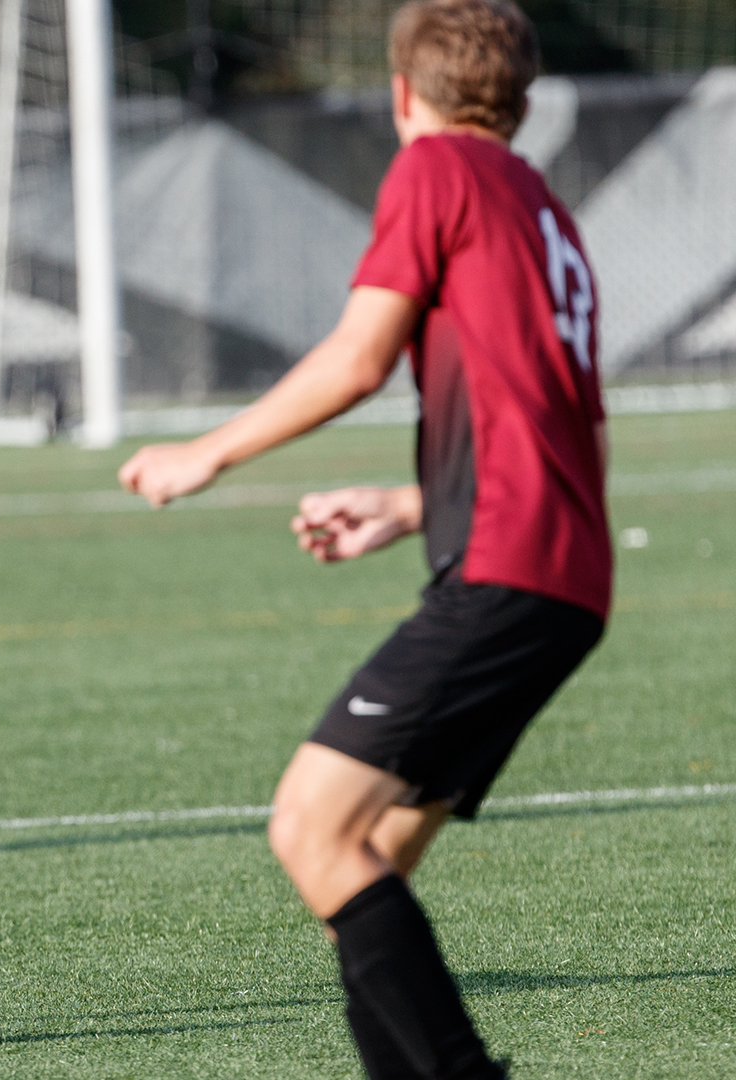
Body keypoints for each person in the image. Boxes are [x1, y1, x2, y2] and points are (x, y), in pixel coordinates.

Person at [119, 1, 609, 1075]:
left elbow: (357, 358)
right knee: (369, 860)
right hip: (562, 576)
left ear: (402, 95)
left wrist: (207, 453)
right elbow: (552, 423)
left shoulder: (435, 172)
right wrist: (406, 503)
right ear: (525, 105)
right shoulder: (543, 208)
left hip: (504, 575)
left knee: (311, 829)